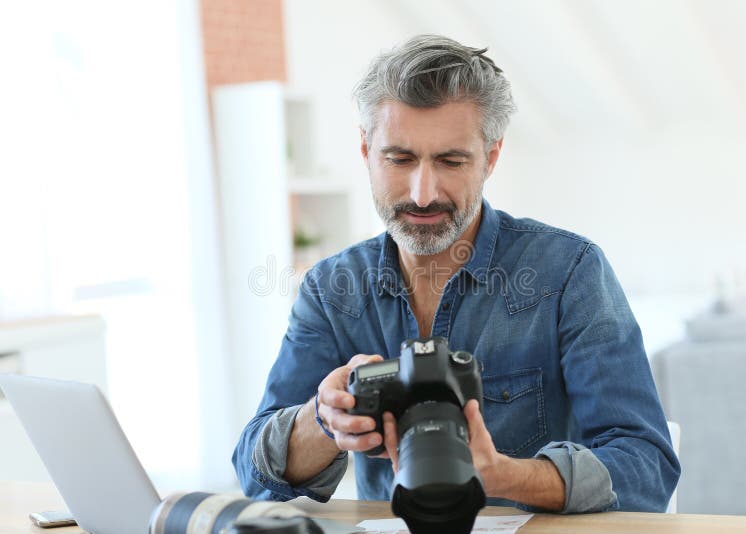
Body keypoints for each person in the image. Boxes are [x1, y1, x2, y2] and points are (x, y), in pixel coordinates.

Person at [232, 34, 680, 513]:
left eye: (450, 161)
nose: (423, 194)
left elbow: (647, 465)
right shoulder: (332, 291)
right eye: (399, 159)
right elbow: (254, 472)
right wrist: (323, 419)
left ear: (491, 156)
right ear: (366, 150)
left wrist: (508, 477)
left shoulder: (569, 272)